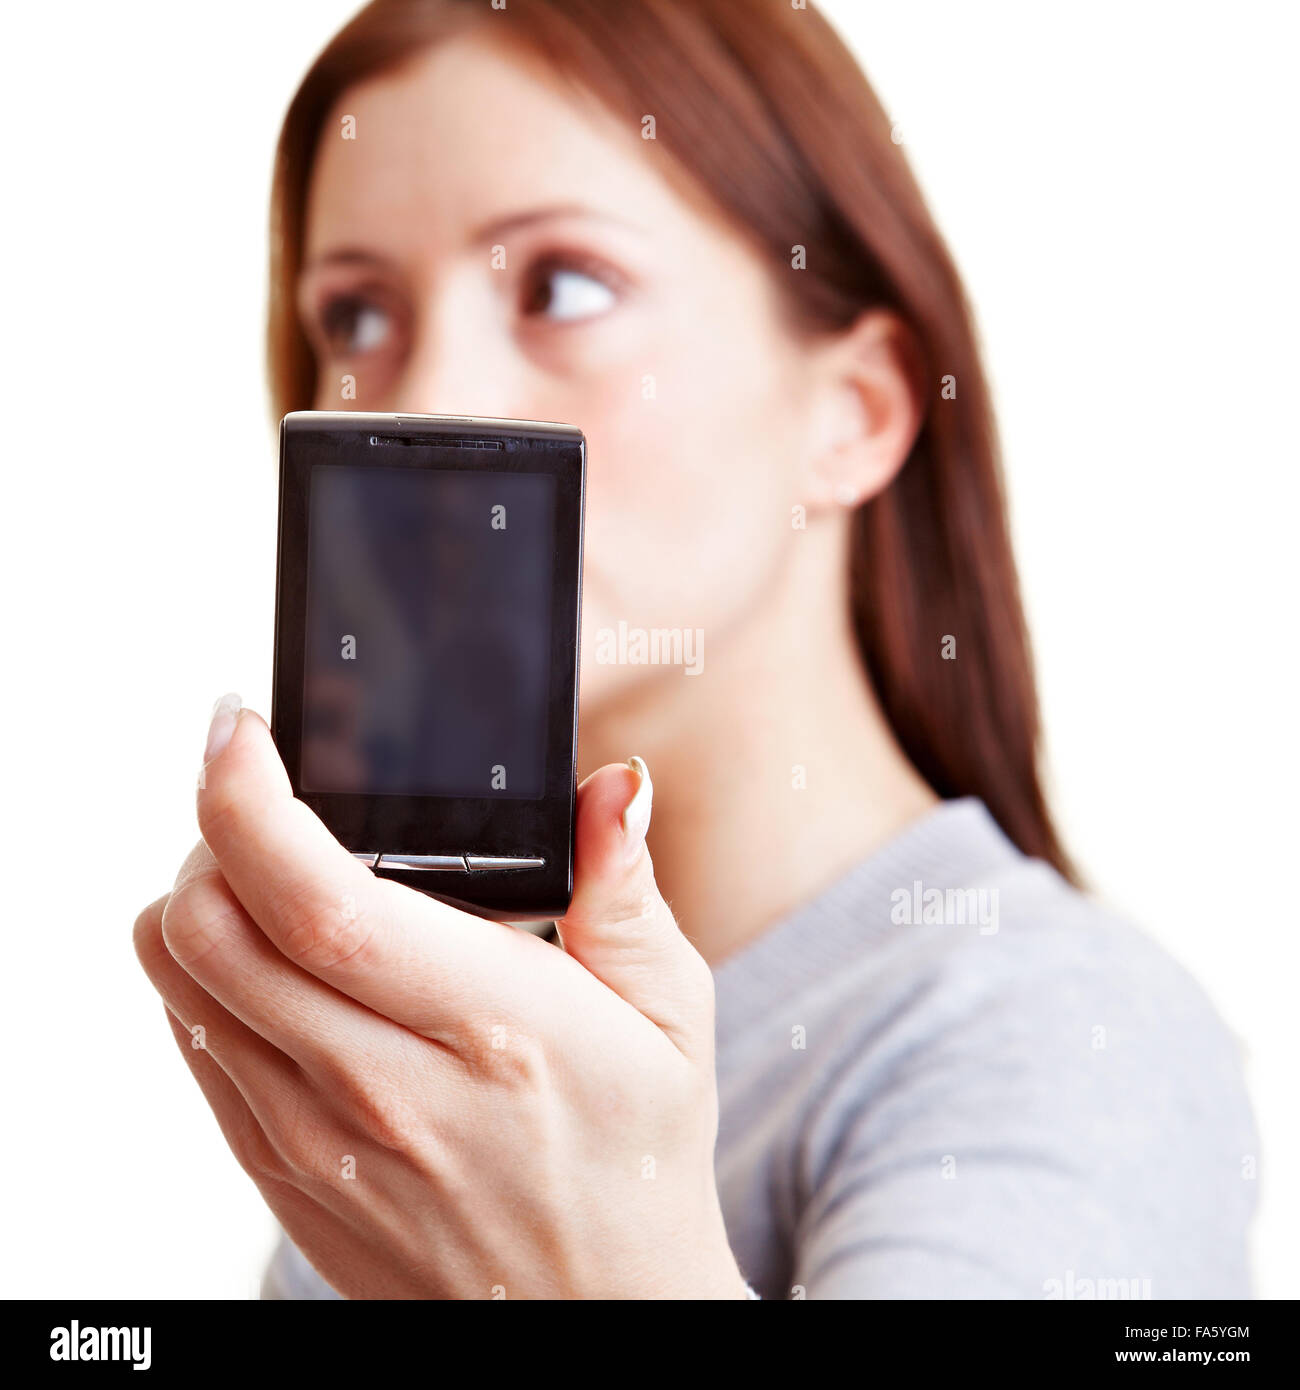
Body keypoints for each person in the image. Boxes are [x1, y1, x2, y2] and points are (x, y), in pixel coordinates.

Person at [133, 0, 1256, 1299]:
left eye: (562, 285)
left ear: (857, 412)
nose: (427, 394)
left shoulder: (1062, 1042)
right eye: (358, 318)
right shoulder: (445, 1080)